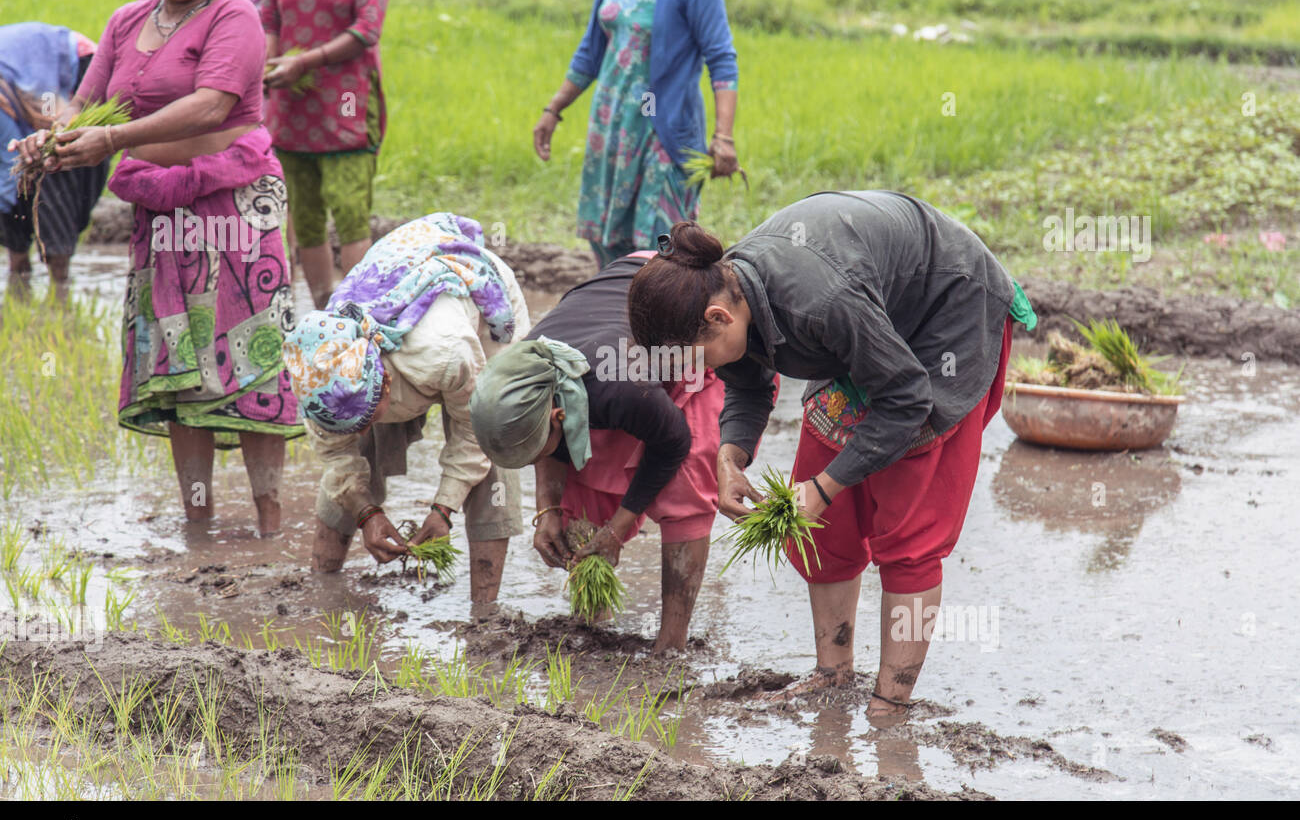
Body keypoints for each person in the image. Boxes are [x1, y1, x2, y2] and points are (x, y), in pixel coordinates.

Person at [625, 194, 1038, 713]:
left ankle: (891, 704)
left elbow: (907, 398)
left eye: (694, 356)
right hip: (871, 320)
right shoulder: (734, 295)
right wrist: (730, 456)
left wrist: (822, 488)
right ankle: (832, 672)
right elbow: (748, 383)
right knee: (826, 523)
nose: (697, 371)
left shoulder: (818, 302)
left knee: (909, 529)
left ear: (717, 316)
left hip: (946, 317)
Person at [14, 0, 302, 536]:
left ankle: (270, 526)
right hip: (161, 211)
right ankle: (198, 520)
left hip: (235, 204)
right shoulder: (125, 23)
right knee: (179, 357)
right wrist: (52, 137)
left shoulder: (235, 15)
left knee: (249, 355)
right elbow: (85, 106)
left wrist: (113, 142)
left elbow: (211, 107)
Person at [469, 244, 726, 651]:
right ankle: (594, 622)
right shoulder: (526, 373)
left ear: (557, 416)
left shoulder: (622, 388)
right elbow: (549, 444)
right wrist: (548, 510)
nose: (538, 461)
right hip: (621, 318)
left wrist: (618, 530)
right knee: (582, 493)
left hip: (689, 305)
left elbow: (672, 442)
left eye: (536, 452)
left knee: (685, 486)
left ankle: (671, 643)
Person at [283, 213, 529, 605]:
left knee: (492, 437)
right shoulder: (321, 364)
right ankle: (323, 587)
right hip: (398, 291)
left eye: (367, 417)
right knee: (361, 450)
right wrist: (367, 513)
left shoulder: (445, 353)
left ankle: (484, 613)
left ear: (386, 383)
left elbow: (472, 434)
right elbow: (335, 451)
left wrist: (443, 508)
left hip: (479, 302)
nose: (358, 430)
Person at [533, 0, 739, 268]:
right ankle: (616, 310)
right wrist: (553, 110)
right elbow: (590, 52)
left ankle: (661, 313)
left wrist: (723, 137)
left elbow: (722, 61)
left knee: (662, 242)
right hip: (612, 125)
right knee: (608, 235)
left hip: (664, 129)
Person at [261, 0, 391, 309]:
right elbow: (271, 17)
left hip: (347, 96)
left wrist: (303, 62)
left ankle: (355, 320)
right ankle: (322, 313)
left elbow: (368, 28)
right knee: (303, 211)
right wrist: (270, 66)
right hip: (290, 97)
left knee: (350, 208)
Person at [1, 23, 108, 300]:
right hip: (26, 71)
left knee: (58, 160)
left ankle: (59, 283)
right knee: (20, 177)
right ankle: (19, 268)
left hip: (71, 63)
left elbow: (9, 164)